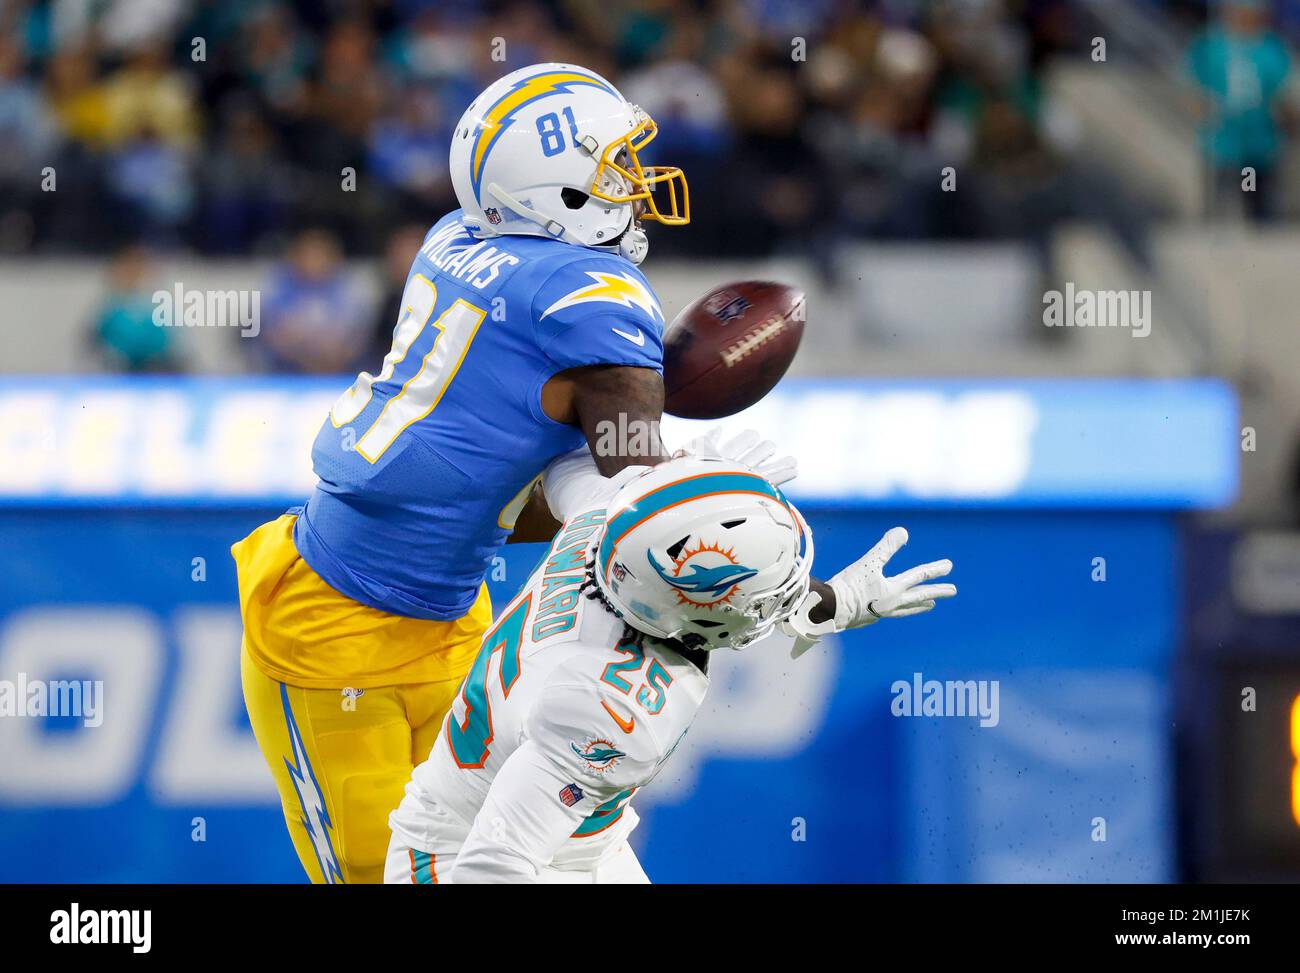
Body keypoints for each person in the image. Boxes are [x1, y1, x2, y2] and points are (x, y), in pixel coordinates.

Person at [234, 62, 690, 884]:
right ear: (560, 194)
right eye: (613, 164)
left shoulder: (459, 235)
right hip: (333, 629)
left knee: (519, 864)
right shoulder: (591, 299)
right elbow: (644, 515)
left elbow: (497, 473)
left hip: (445, 602)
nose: (637, 181)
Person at [385, 439, 957, 883]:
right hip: (471, 858)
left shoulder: (613, 524)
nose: (796, 591)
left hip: (574, 838)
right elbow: (494, 868)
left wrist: (692, 480)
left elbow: (572, 471)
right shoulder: (612, 708)